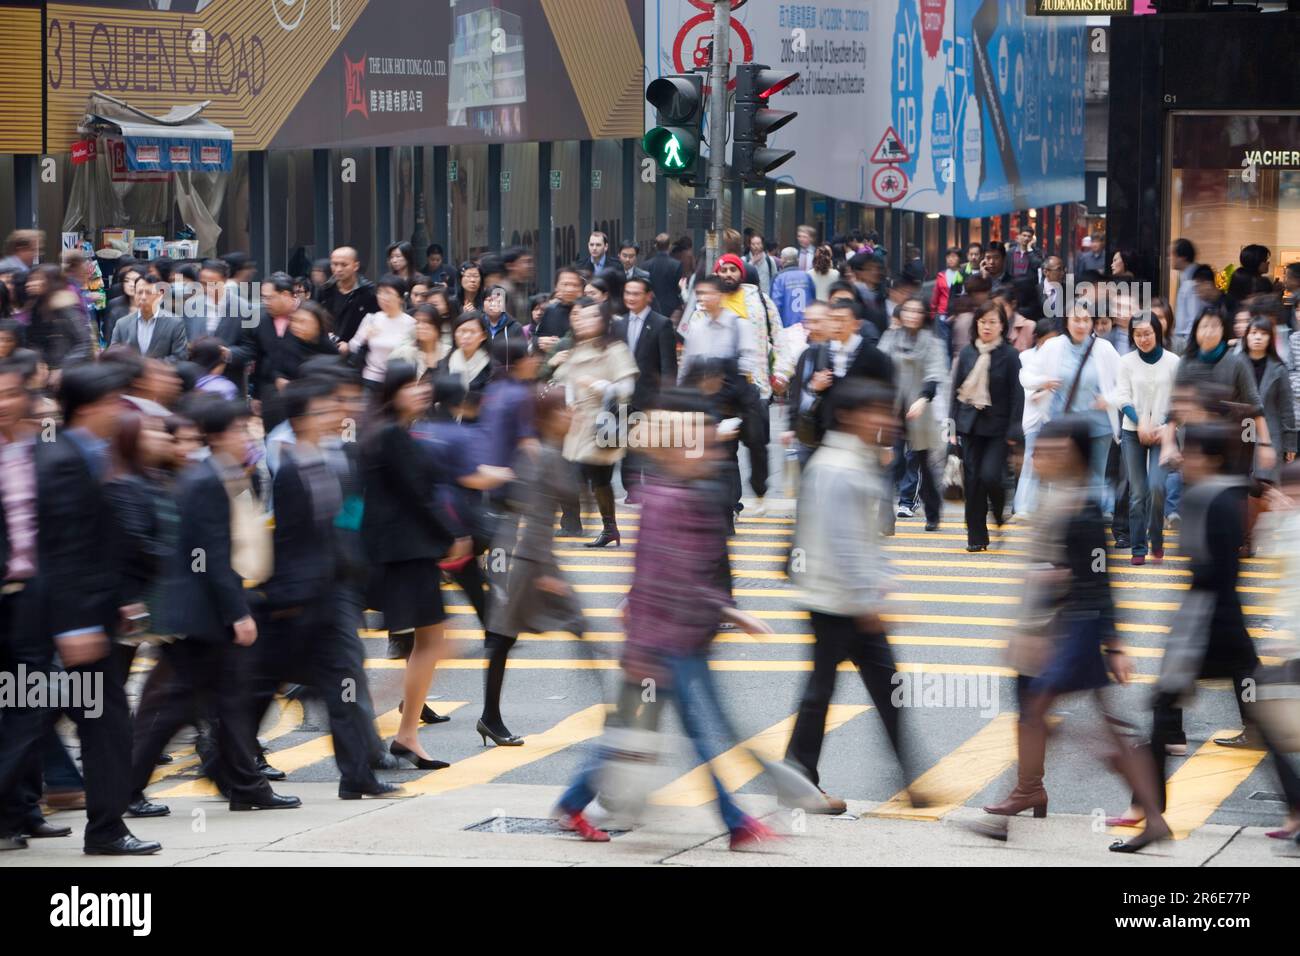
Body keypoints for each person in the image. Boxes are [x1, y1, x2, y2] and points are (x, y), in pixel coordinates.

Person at [553, 397, 777, 846]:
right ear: (676, 450)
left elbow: (669, 575)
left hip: (673, 637)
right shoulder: (669, 500)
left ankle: (573, 803)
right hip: (668, 644)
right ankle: (734, 821)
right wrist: (726, 611)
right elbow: (666, 578)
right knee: (695, 731)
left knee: (641, 732)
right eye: (700, 445)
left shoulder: (673, 494)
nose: (711, 452)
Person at [980, 416, 1171, 854]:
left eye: (1054, 452)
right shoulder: (1059, 500)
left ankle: (1024, 794)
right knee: (1098, 727)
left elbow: (1100, 582)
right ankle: (1152, 817)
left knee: (1043, 711)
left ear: (1077, 457)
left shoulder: (1082, 509)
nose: (1041, 459)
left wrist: (1114, 644)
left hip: (1077, 629)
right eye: (1040, 452)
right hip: (1068, 627)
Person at [0, 362, 161, 855]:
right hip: (65, 622)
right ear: (91, 407)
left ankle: (87, 824)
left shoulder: (73, 453)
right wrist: (78, 624)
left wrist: (120, 602)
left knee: (39, 719)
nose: (123, 409)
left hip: (72, 616)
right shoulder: (66, 459)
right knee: (55, 720)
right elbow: (66, 550)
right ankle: (107, 829)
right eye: (116, 401)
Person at [128, 395, 301, 818]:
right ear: (222, 434)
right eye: (242, 429)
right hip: (200, 614)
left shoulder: (225, 475)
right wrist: (237, 612)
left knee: (229, 700)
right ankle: (124, 790)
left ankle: (245, 785)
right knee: (174, 708)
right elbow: (210, 556)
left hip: (211, 610)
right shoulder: (204, 480)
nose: (249, 436)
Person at [253, 379, 405, 801]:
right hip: (299, 601)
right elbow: (288, 540)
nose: (333, 416)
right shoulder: (289, 469)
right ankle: (226, 759)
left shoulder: (333, 459)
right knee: (262, 685)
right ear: (300, 421)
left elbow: (345, 525)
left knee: (344, 683)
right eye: (322, 411)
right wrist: (290, 597)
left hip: (333, 594)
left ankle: (356, 775)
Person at [786, 378, 925, 813]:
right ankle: (802, 778)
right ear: (848, 416)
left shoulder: (853, 461)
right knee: (836, 691)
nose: (885, 419)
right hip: (837, 602)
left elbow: (864, 540)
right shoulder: (840, 467)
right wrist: (871, 599)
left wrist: (880, 582)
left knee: (866, 688)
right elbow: (844, 542)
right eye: (876, 411)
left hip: (841, 598)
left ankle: (910, 778)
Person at [361, 361, 469, 769]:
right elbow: (416, 497)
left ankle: (404, 734)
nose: (421, 392)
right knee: (433, 642)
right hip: (405, 554)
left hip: (410, 551)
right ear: (391, 393)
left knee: (433, 642)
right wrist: (451, 537)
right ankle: (373, 724)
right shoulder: (391, 436)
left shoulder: (396, 433)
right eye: (410, 386)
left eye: (422, 386)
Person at [479, 384, 586, 747]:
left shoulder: (548, 452)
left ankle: (490, 717)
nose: (570, 415)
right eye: (563, 410)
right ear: (547, 418)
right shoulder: (541, 455)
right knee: (504, 639)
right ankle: (490, 717)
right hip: (524, 560)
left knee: (507, 638)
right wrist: (542, 574)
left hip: (530, 558)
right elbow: (528, 517)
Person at [550, 297, 638, 547]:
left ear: (603, 321)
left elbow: (626, 387)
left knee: (594, 476)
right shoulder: (576, 349)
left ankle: (604, 526)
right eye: (581, 317)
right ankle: (605, 527)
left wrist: (597, 385)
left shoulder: (614, 349)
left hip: (604, 421)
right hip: (578, 422)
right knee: (589, 476)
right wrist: (569, 402)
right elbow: (567, 381)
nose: (585, 322)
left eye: (592, 317)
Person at [1026, 303, 1121, 503]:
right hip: (1063, 425)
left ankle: (1093, 524)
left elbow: (1125, 382)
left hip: (1098, 425)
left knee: (1095, 479)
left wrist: (1110, 399)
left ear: (1092, 323)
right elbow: (1025, 374)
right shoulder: (1053, 346)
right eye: (1076, 320)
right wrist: (1042, 382)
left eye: (1086, 320)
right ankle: (1063, 526)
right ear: (1066, 322)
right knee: (1061, 478)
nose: (1081, 325)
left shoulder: (1104, 349)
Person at [951, 302, 1023, 552]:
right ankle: (976, 537)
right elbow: (956, 391)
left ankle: (999, 513)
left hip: (998, 429)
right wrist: (951, 427)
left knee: (991, 476)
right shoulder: (968, 353)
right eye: (983, 322)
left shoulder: (1011, 356)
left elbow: (1017, 394)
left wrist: (1015, 428)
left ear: (1002, 325)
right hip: (970, 425)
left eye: (993, 322)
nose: (987, 327)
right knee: (972, 483)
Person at [1114, 312, 1180, 564]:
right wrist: (1139, 421)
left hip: (1164, 432)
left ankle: (1157, 539)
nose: (1143, 339)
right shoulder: (1126, 362)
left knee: (1156, 487)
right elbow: (1122, 396)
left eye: (1148, 333)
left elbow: (1179, 399)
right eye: (1138, 334)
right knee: (1138, 491)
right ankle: (1138, 547)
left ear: (1158, 333)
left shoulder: (1173, 362)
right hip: (1133, 432)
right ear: (1132, 336)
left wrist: (1166, 426)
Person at [878, 297, 946, 531]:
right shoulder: (890, 337)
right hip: (894, 410)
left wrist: (923, 398)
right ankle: (885, 517)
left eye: (917, 311)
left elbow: (934, 375)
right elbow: (879, 365)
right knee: (889, 463)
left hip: (920, 412)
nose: (912, 315)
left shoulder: (932, 342)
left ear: (924, 315)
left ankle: (933, 513)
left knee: (924, 467)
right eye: (908, 311)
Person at [613, 276, 677, 502]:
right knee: (627, 448)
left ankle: (650, 489)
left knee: (650, 446)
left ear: (648, 296)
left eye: (636, 293)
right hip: (624, 398)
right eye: (627, 293)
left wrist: (667, 402)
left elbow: (669, 368)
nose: (630, 298)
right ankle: (631, 490)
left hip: (650, 397)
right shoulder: (618, 324)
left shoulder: (661, 324)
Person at [1240, 314, 1297, 549]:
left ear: (1270, 338)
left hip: (1270, 437)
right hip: (1240, 434)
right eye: (1253, 332)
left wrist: (1291, 444)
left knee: (1260, 485)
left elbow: (1286, 409)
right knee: (1242, 485)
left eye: (1263, 334)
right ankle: (1246, 537)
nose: (1257, 338)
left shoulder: (1278, 369)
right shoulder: (1236, 363)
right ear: (1247, 335)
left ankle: (1249, 538)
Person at [1013, 319, 1060, 517]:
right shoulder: (1025, 357)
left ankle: (1051, 507)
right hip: (1032, 417)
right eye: (1047, 341)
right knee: (1030, 460)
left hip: (1054, 418)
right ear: (1038, 340)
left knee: (1056, 463)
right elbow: (1023, 389)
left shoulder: (1061, 358)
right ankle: (1023, 506)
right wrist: (1042, 389)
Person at [346, 274, 416, 390]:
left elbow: (414, 356)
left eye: (388, 293)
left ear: (401, 297)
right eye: (380, 292)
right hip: (370, 379)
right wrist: (365, 337)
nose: (383, 297)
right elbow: (352, 346)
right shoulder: (371, 319)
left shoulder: (411, 324)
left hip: (398, 382)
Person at [108, 276, 187, 362]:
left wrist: (148, 366)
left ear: (160, 295)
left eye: (148, 293)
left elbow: (180, 357)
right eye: (139, 292)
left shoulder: (175, 323)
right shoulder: (121, 324)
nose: (143, 297)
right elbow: (113, 356)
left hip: (160, 374)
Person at [314, 247, 378, 343]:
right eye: (334, 264)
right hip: (328, 348)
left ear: (356, 266)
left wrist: (352, 345)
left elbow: (375, 325)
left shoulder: (368, 292)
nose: (338, 269)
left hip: (357, 350)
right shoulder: (324, 290)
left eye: (344, 265)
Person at [272, 301, 340, 386]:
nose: (296, 326)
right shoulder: (289, 339)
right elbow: (276, 366)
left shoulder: (329, 350)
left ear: (317, 325)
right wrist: (279, 378)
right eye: (294, 320)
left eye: (303, 322)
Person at [388, 304, 450, 381]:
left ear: (437, 326)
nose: (420, 326)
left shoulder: (448, 353)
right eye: (417, 322)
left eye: (426, 321)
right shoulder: (405, 353)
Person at [438, 312, 493, 394]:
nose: (466, 336)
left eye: (472, 332)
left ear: (483, 336)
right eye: (462, 331)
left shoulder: (492, 369)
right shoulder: (441, 365)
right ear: (454, 334)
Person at [770, 246, 817, 329]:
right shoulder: (807, 276)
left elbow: (775, 305)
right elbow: (813, 300)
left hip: (787, 327)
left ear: (783, 260)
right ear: (797, 260)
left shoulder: (779, 278)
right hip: (807, 326)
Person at [644, 233, 684, 321]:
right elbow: (678, 287)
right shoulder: (676, 265)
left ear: (655, 246)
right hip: (672, 306)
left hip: (651, 305)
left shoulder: (646, 265)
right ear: (669, 246)